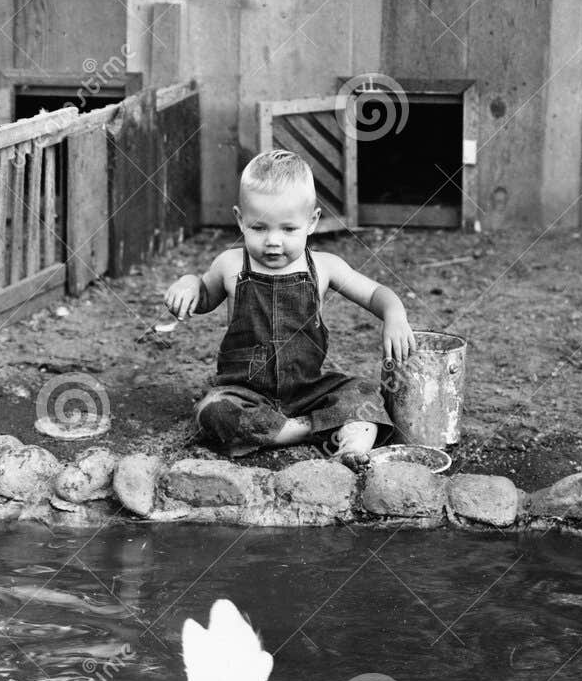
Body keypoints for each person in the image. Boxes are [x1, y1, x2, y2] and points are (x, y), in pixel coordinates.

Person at [163, 150, 416, 461]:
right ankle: (311, 430)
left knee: (364, 392)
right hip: (244, 392)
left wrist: (395, 314)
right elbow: (202, 297)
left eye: (288, 229)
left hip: (308, 390)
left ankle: (351, 449)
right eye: (258, 228)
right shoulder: (230, 264)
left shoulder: (325, 267)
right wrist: (188, 284)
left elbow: (376, 292)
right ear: (240, 220)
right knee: (213, 411)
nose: (273, 241)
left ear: (312, 222)